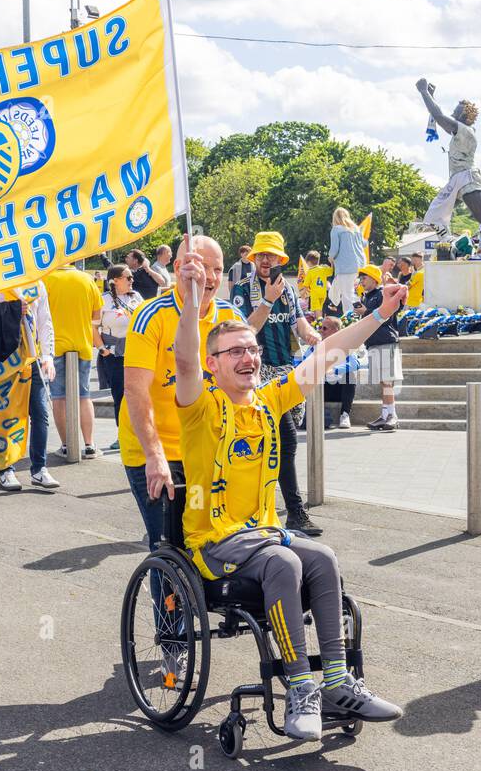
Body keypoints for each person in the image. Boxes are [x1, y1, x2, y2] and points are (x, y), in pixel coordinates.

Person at [173, 253, 406, 739]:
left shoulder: (270, 399)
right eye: (235, 351)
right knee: (285, 561)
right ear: (214, 365)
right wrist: (193, 297)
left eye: (252, 349)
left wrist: (380, 314)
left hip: (262, 534)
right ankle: (302, 686)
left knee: (320, 555)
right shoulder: (199, 406)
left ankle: (339, 682)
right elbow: (184, 357)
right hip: (214, 542)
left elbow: (325, 355)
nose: (248, 357)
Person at [121, 236, 245, 552]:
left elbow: (243, 392)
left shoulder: (230, 318)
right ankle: (167, 603)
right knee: (170, 549)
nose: (211, 277)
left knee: (211, 544)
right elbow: (136, 391)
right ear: (179, 268)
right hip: (157, 449)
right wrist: (154, 456)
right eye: (203, 267)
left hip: (206, 451)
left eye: (218, 269)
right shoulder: (151, 316)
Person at [231, 231, 323, 535]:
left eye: (272, 255)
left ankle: (259, 508)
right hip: (256, 375)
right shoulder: (243, 290)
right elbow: (245, 331)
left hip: (286, 370)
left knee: (279, 443)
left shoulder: (289, 290)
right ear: (254, 258)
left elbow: (298, 322)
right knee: (285, 442)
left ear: (281, 259)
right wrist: (267, 301)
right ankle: (295, 512)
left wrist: (310, 334)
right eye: (261, 255)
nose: (266, 260)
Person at [0, 286, 60, 491]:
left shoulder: (37, 282)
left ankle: (39, 468)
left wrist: (48, 356)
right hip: (4, 361)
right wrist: (11, 309)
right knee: (4, 415)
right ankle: (6, 470)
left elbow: (45, 319)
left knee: (40, 414)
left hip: (32, 358)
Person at [414, 78, 481, 247]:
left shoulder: (466, 131)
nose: (452, 115)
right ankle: (448, 242)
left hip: (467, 177)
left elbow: (440, 116)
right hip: (456, 179)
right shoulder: (462, 131)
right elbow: (440, 117)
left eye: (455, 112)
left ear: (463, 117)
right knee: (434, 214)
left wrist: (424, 93)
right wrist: (431, 97)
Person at [43, 263, 106, 459]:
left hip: (54, 347)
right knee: (84, 395)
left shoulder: (46, 280)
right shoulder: (87, 280)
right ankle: (89, 444)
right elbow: (97, 315)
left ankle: (66, 445)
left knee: (58, 397)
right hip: (83, 345)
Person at [96, 265, 142, 450]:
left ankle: (139, 433)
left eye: (132, 277)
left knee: (138, 393)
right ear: (115, 281)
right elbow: (93, 327)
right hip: (114, 353)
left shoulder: (136, 297)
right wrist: (102, 349)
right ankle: (122, 434)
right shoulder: (104, 300)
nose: (132, 280)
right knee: (120, 395)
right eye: (128, 277)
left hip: (136, 350)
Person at [357, 264, 404, 430]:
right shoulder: (368, 296)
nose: (361, 281)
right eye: (361, 278)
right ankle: (385, 414)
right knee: (383, 382)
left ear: (373, 278)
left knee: (387, 380)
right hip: (374, 342)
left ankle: (392, 415)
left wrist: (365, 312)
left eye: (364, 278)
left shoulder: (382, 293)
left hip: (385, 340)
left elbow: (385, 315)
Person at [318, 315, 360, 429]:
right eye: (320, 328)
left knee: (350, 374)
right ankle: (317, 414)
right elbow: (303, 362)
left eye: (324, 328)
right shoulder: (316, 346)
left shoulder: (346, 345)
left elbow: (355, 364)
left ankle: (345, 415)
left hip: (340, 391)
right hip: (323, 388)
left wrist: (334, 370)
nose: (321, 331)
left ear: (336, 331)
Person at [328, 208, 367, 314]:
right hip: (361, 265)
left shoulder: (336, 229)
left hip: (345, 266)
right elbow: (364, 244)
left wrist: (330, 258)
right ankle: (334, 302)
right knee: (346, 289)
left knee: (347, 295)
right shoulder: (356, 229)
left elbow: (334, 249)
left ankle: (349, 317)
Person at [301, 250, 333, 320]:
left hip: (315, 294)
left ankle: (319, 322)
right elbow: (331, 272)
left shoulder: (310, 272)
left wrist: (303, 295)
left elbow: (306, 285)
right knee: (320, 309)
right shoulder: (323, 269)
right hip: (323, 293)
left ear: (309, 262)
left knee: (317, 309)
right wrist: (332, 263)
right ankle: (320, 321)